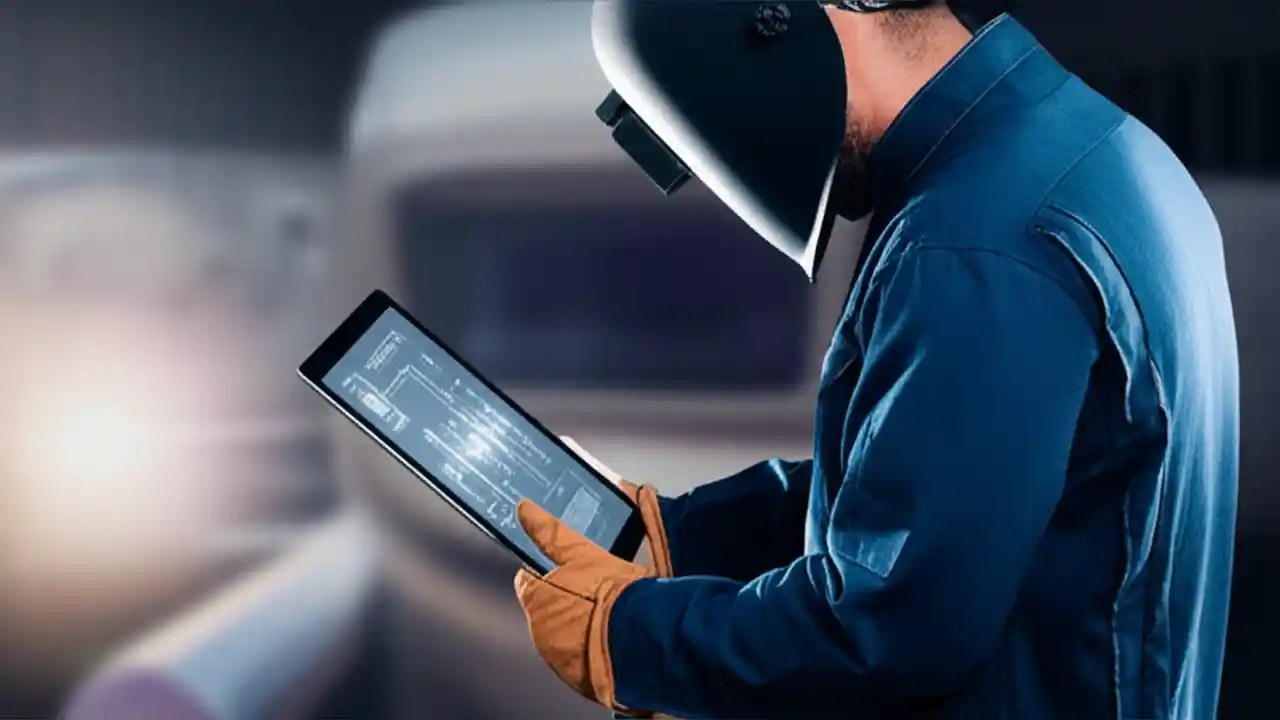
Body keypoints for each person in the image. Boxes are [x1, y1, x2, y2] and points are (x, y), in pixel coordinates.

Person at [512, 2, 1239, 718]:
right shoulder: (1092, 148)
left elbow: (891, 626)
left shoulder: (973, 242)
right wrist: (689, 533)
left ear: (776, 21)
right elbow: (956, 482)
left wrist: (629, 637)